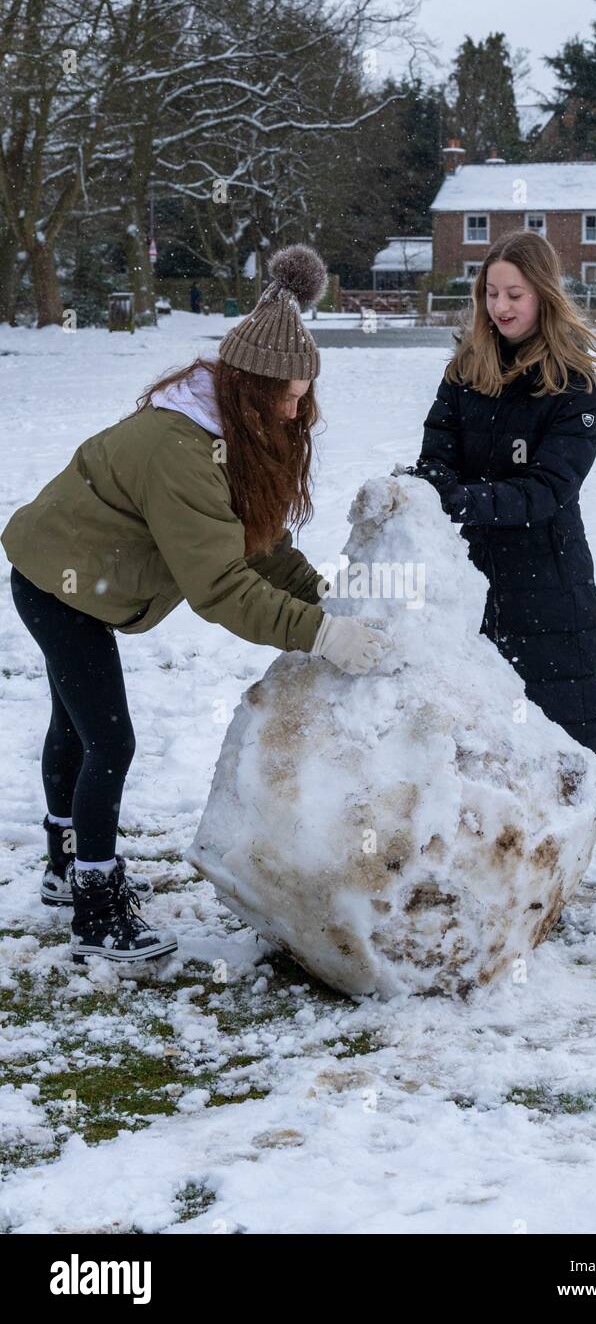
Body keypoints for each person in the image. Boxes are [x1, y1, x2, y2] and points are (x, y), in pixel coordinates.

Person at [1, 245, 390, 966]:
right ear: (249, 386)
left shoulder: (228, 432)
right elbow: (221, 587)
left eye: (305, 393)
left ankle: (64, 866)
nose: (297, 408)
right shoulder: (184, 449)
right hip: (56, 581)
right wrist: (321, 636)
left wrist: (326, 600)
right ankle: (94, 905)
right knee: (107, 740)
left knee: (76, 725)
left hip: (80, 574)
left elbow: (258, 545)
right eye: (288, 394)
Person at [409, 228, 596, 757]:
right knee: (476, 736)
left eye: (514, 294)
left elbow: (550, 487)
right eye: (491, 293)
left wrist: (464, 501)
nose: (499, 306)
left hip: (547, 571)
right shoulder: (465, 369)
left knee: (556, 737)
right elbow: (439, 451)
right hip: (470, 568)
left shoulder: (573, 381)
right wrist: (427, 485)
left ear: (544, 294)